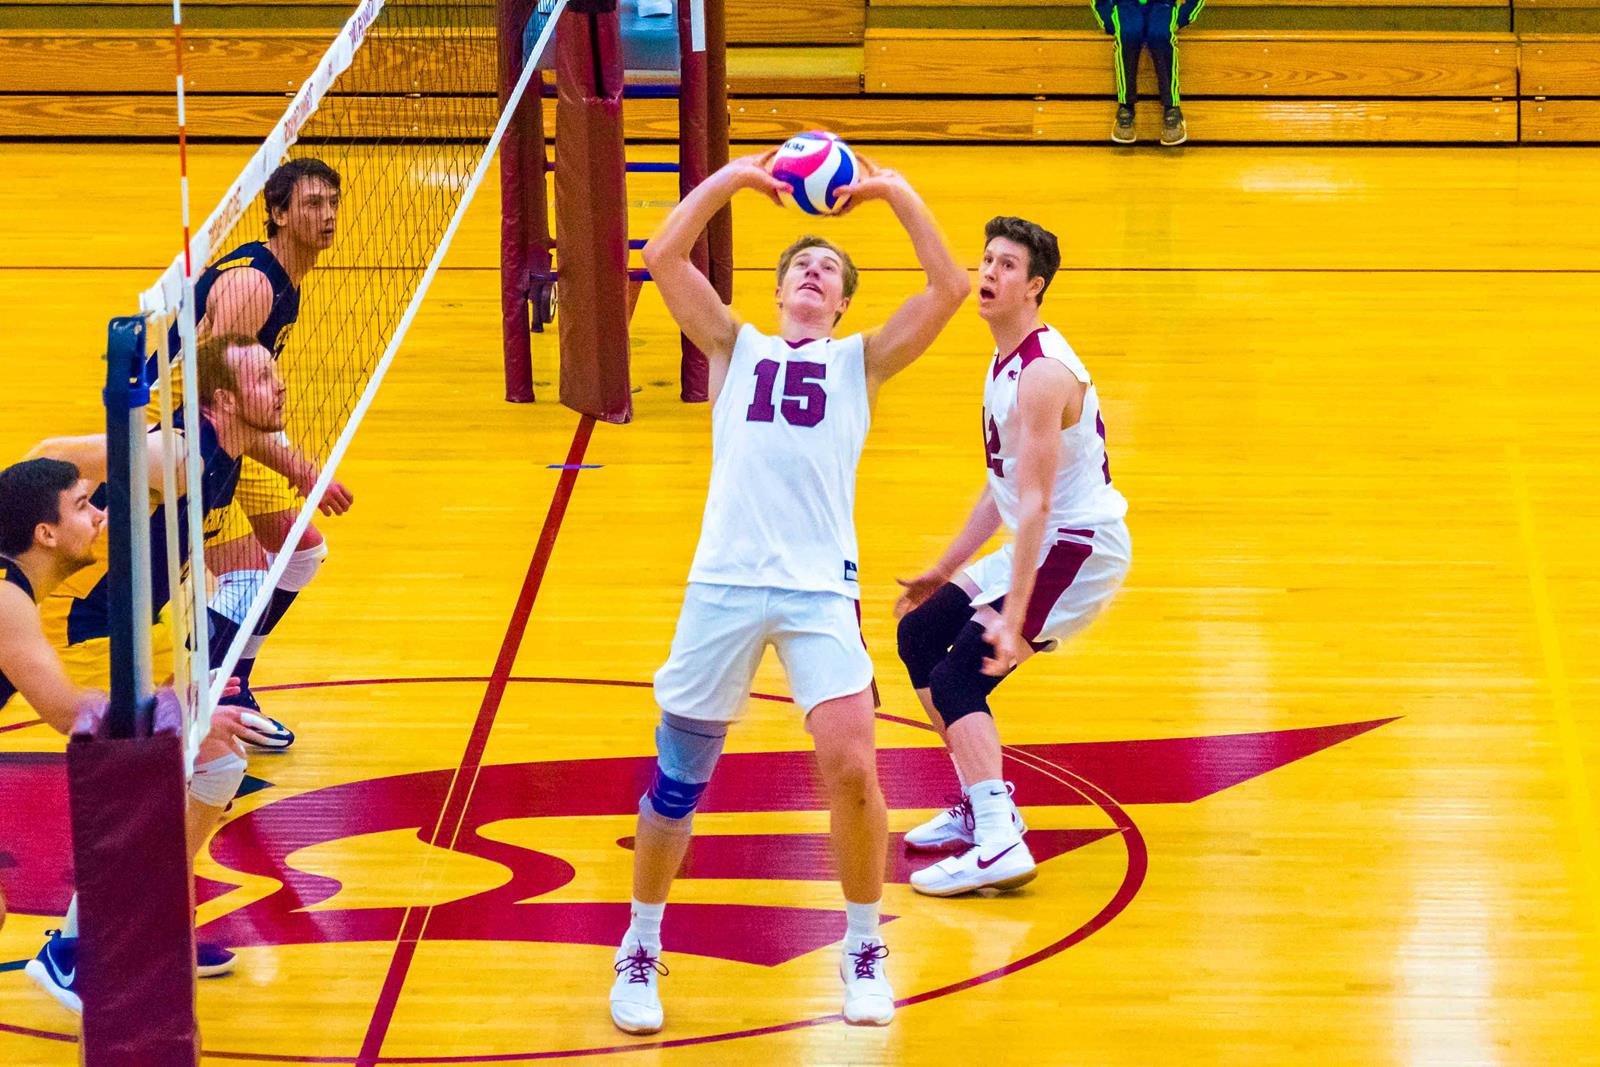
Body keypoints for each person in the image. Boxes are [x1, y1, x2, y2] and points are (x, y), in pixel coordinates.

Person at [608, 150, 969, 1034]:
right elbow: (661, 254)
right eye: (801, 265)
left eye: (829, 270)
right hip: (723, 585)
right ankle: (641, 943)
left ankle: (860, 946)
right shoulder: (735, 344)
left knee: (852, 770)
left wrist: (891, 193)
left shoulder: (862, 361)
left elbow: (951, 288)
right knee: (677, 784)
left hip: (816, 593)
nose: (814, 272)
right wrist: (732, 179)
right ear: (778, 290)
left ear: (842, 301)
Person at [21, 335, 287, 1011]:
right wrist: (56, 513)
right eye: (264, 377)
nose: (282, 385)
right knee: (151, 769)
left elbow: (193, 546)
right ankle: (76, 948)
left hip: (134, 627)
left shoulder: (222, 458)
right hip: (87, 633)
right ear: (223, 399)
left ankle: (156, 919)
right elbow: (46, 449)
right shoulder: (177, 451)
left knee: (218, 762)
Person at [894, 216, 1131, 897]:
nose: (989, 274)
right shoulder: (1004, 359)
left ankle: (1000, 840)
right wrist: (946, 566)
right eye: (986, 260)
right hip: (1045, 539)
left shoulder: (1042, 376)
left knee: (962, 673)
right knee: (920, 632)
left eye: (1005, 265)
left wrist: (1013, 615)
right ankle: (980, 802)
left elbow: (1038, 508)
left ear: (1035, 286)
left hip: (1080, 549)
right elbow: (1004, 491)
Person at [149, 157, 354, 747]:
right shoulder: (253, 285)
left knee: (300, 550)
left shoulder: (288, 277)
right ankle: (192, 703)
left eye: (332, 204)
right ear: (279, 213)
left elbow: (236, 393)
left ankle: (229, 682)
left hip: (225, 425)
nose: (327, 216)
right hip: (185, 440)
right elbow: (209, 396)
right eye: (312, 205)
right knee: (216, 571)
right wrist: (293, 462)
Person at [1093, 0, 1205, 145]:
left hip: (1163, 5)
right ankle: (1125, 108)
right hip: (1126, 5)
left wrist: (1185, 15)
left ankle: (1172, 109)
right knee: (1128, 33)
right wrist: (1107, 18)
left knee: (1160, 34)